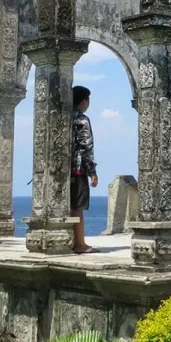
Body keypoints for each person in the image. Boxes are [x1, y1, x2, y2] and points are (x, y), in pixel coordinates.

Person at [70, 85, 98, 254]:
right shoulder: (82, 119)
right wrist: (92, 172)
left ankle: (74, 241)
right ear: (83, 101)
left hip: (63, 170)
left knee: (70, 206)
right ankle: (80, 244)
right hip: (79, 169)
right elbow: (86, 146)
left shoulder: (64, 117)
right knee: (78, 207)